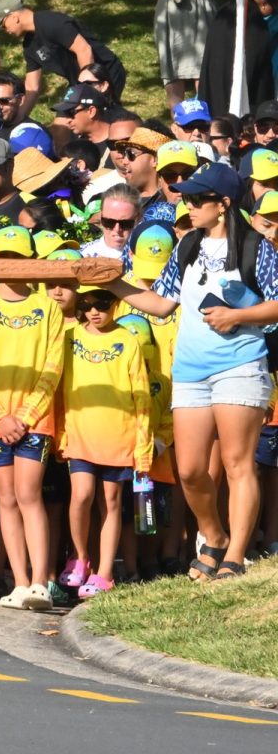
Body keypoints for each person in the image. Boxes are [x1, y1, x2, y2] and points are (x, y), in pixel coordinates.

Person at [105, 162, 278, 582]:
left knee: (238, 464)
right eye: (187, 197)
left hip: (240, 365)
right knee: (189, 469)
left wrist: (240, 316)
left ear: (222, 205)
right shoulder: (185, 247)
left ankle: (235, 554)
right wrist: (112, 285)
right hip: (190, 370)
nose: (189, 204)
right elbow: (161, 304)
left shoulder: (258, 247)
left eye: (198, 198)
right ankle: (213, 535)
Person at [0, 226, 65, 611]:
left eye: (18, 258)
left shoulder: (48, 308)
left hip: (34, 419)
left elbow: (52, 368)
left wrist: (23, 415)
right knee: (4, 498)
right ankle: (19, 582)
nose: (10, 265)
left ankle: (40, 582)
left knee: (29, 494)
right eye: (3, 257)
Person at [59, 284, 153, 598]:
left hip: (119, 435)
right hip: (80, 432)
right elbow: (58, 387)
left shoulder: (128, 339)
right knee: (81, 496)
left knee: (110, 503)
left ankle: (105, 573)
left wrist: (143, 444)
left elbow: (141, 393)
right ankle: (81, 557)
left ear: (115, 304)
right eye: (87, 304)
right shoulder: (70, 337)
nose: (95, 311)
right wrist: (61, 431)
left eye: (103, 303)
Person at [0, 0, 128, 115]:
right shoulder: (29, 46)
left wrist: (86, 90)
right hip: (78, 85)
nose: (4, 30)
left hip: (105, 74)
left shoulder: (52, 23)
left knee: (106, 119)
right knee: (60, 129)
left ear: (14, 17)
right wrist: (18, 118)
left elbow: (84, 50)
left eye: (3, 24)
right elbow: (32, 86)